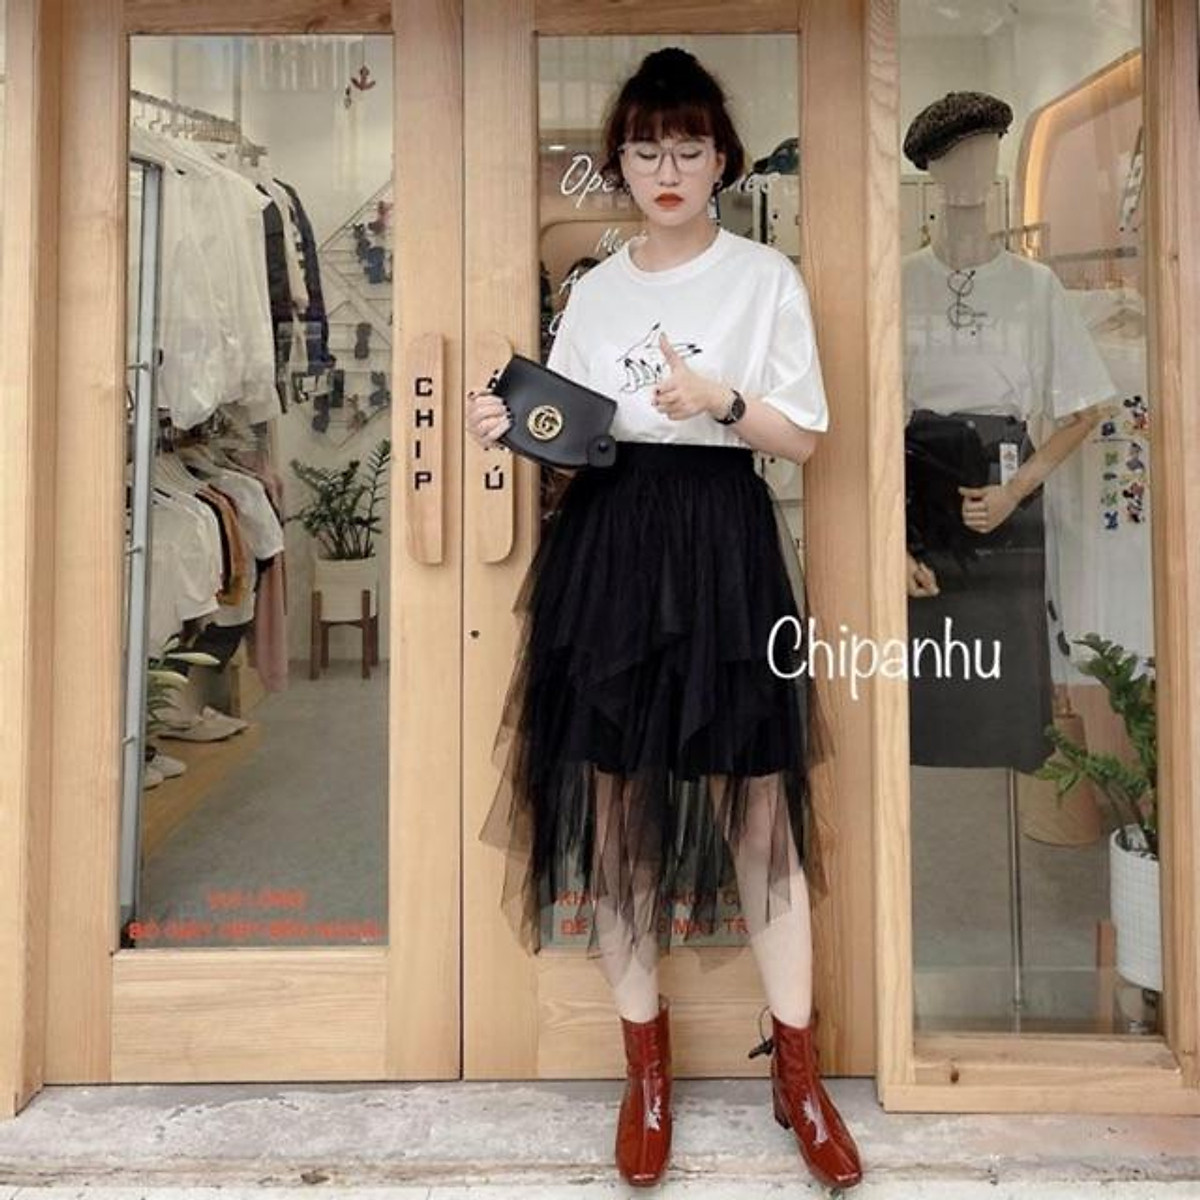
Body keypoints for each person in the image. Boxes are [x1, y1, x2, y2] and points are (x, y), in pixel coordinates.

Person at [466, 47, 863, 1192]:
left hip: (724, 544)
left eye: (689, 147)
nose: (669, 169)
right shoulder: (596, 290)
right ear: (622, 166)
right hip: (614, 548)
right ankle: (646, 1070)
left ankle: (798, 1072)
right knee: (618, 810)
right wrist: (513, 428)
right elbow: (580, 438)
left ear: (722, 159)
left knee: (760, 811)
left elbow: (805, 439)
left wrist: (720, 399)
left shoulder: (764, 277)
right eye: (647, 151)